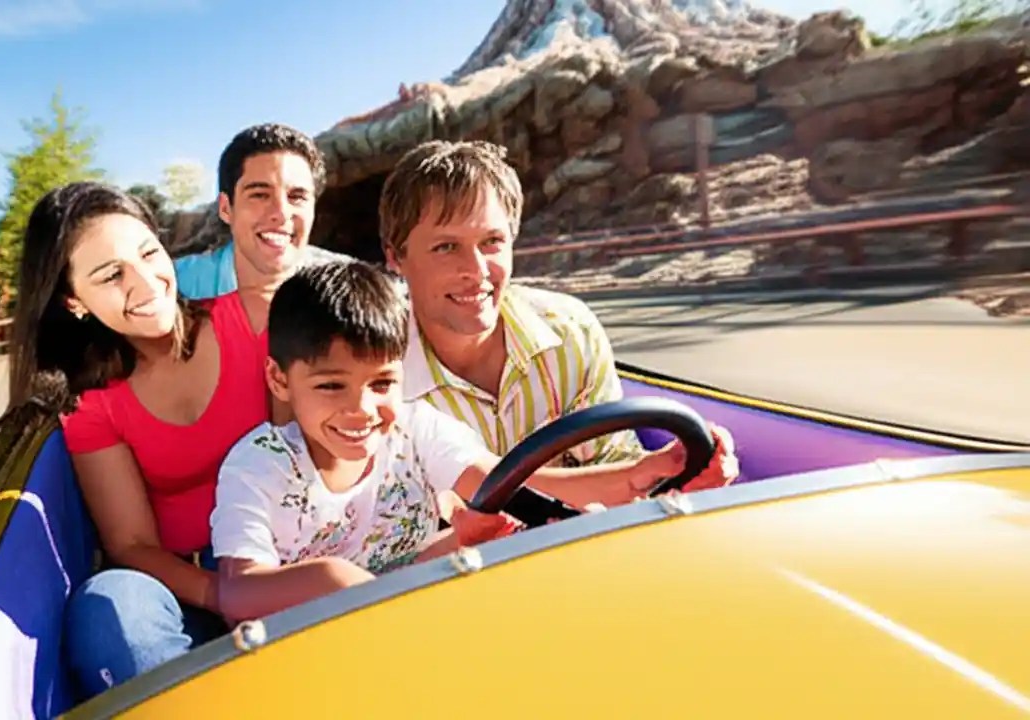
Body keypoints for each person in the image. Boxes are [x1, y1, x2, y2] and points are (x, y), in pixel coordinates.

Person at [209, 260, 694, 622]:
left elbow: (521, 484)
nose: (362, 409)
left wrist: (638, 475)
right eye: (332, 386)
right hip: (319, 641)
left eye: (381, 384)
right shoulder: (259, 467)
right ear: (279, 380)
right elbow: (237, 593)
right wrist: (336, 581)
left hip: (428, 613)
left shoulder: (414, 429)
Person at [3, 180, 269, 698]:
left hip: (292, 548)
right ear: (73, 300)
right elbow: (131, 544)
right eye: (111, 275)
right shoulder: (91, 401)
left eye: (149, 253)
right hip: (191, 588)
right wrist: (223, 594)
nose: (146, 283)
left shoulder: (256, 318)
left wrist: (273, 578)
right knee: (109, 606)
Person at [378, 139, 735, 493]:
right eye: (446, 247)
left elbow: (612, 461)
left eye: (492, 242)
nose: (476, 270)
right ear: (396, 258)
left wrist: (673, 482)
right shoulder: (370, 379)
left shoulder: (570, 331)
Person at [173, 122, 350, 306]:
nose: (281, 213)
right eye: (259, 195)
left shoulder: (348, 289)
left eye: (297, 197)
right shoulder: (174, 288)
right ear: (226, 208)